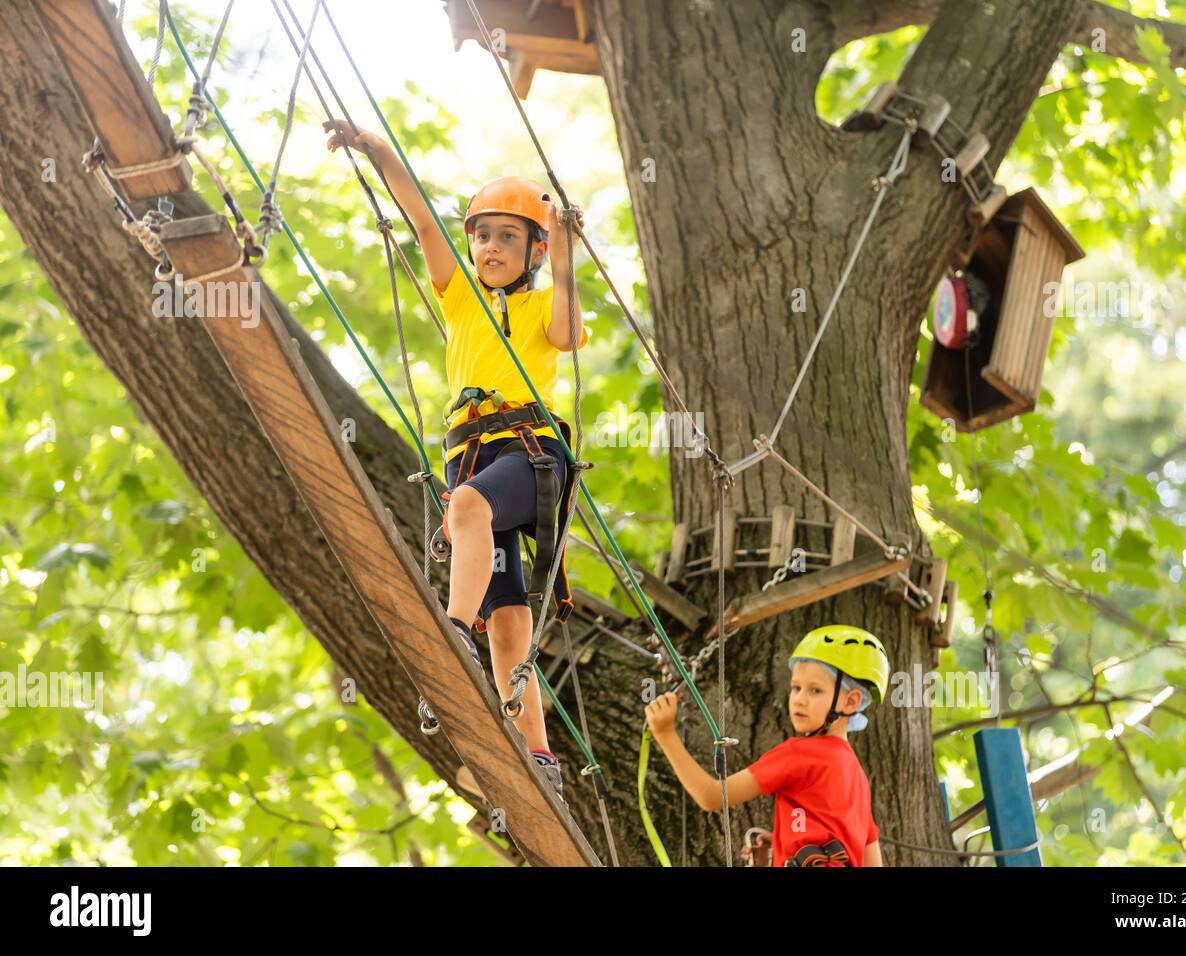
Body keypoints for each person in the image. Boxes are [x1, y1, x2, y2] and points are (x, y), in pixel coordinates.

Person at [323, 121, 589, 799]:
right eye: (482, 234)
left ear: (531, 248)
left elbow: (564, 332)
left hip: (531, 457)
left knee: (466, 511)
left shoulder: (539, 305)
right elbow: (419, 219)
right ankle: (539, 752)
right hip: (471, 456)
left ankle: (450, 629)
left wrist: (563, 251)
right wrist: (378, 149)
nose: (490, 247)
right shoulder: (462, 297)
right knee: (507, 620)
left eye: (508, 236)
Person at [645, 625, 889, 866]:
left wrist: (665, 733)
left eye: (815, 690)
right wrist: (785, 843)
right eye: (796, 687)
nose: (799, 700)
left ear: (850, 702)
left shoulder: (799, 753)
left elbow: (710, 796)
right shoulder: (857, 778)